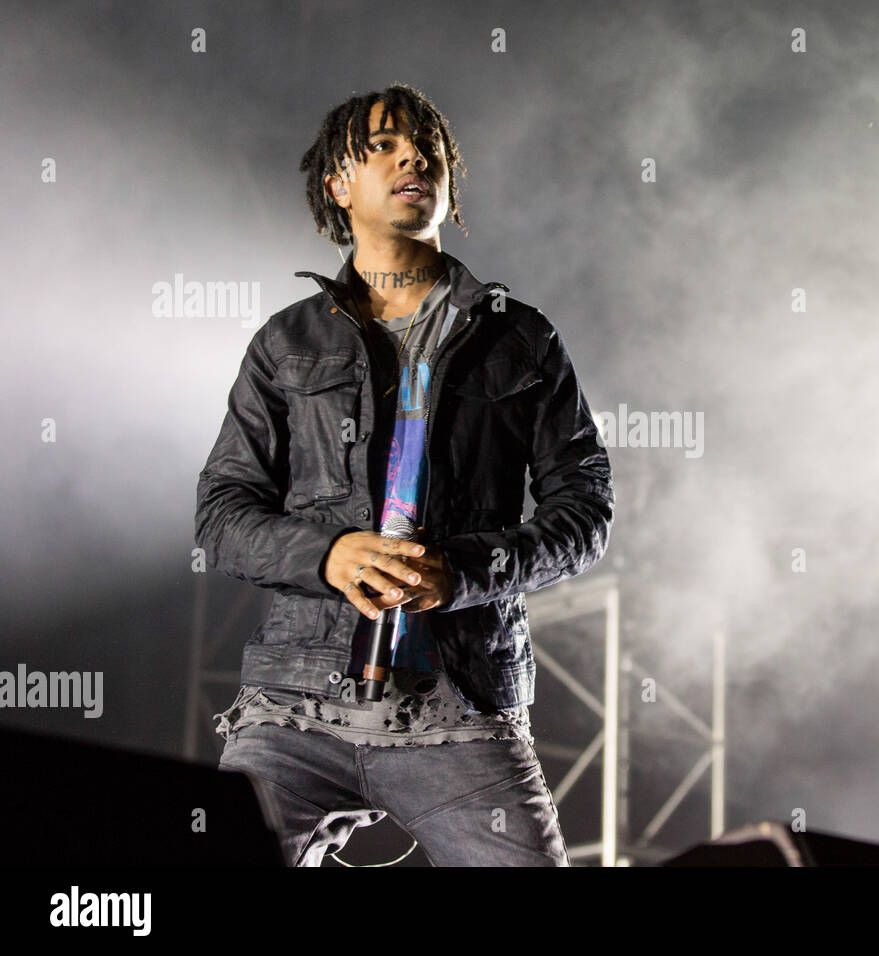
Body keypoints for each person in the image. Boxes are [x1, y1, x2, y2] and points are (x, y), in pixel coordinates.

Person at [195, 82, 614, 866]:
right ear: (338, 184)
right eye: (382, 145)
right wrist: (328, 555)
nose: (412, 155)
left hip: (459, 708)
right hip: (292, 714)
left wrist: (460, 573)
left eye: (427, 146)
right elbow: (221, 514)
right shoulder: (285, 343)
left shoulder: (521, 339)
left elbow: (586, 512)